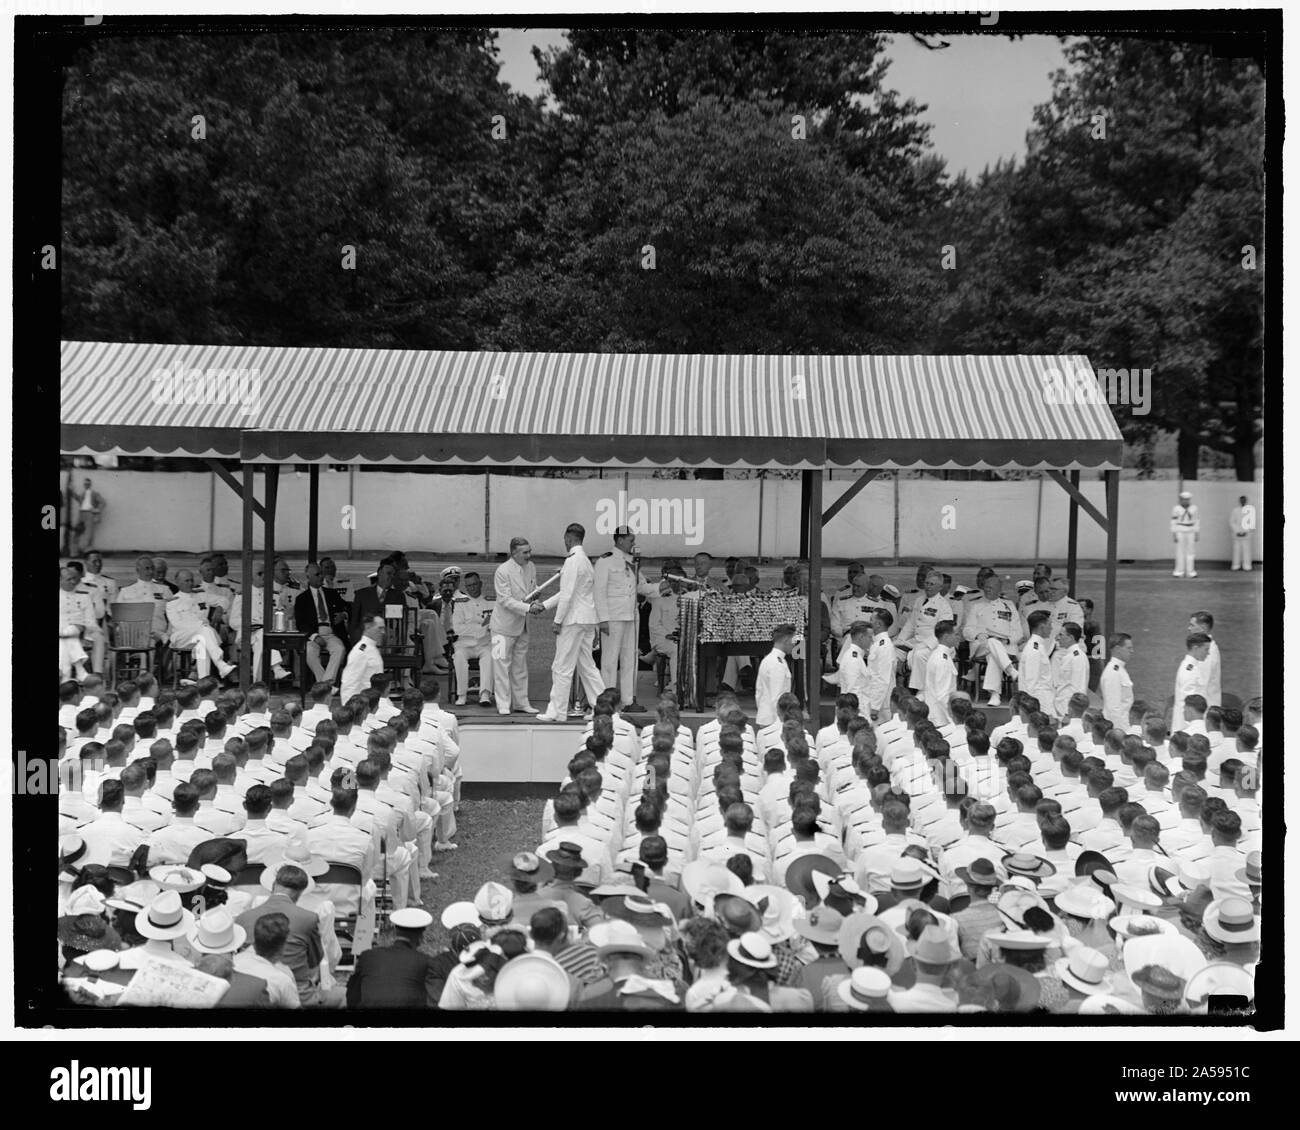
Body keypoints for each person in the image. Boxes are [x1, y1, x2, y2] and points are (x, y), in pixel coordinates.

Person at [537, 523, 604, 723]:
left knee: (561, 666)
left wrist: (557, 620)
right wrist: (545, 605)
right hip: (586, 619)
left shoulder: (574, 561)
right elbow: (567, 592)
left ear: (568, 538)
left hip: (574, 620)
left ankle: (557, 711)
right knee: (587, 666)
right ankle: (605, 709)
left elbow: (567, 595)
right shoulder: (584, 560)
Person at [593, 526, 661, 711]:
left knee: (630, 658)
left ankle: (628, 700)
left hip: (631, 616)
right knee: (609, 659)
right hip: (613, 616)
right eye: (631, 540)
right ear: (620, 540)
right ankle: (607, 699)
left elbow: (641, 587)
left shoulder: (632, 562)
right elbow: (598, 592)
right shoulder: (605, 561)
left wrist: (660, 588)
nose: (634, 543)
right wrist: (602, 619)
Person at [346, 907, 440, 1008]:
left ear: (395, 931)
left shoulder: (368, 956)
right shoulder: (425, 962)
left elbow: (352, 995)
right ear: (421, 937)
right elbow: (434, 998)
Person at [490, 536, 541, 716]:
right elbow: (505, 600)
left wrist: (536, 596)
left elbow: (532, 589)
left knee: (520, 666)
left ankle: (521, 702)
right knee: (501, 666)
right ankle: (503, 704)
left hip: (522, 625)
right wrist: (528, 607)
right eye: (525, 552)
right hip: (501, 627)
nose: (529, 555)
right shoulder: (502, 571)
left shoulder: (531, 566)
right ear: (514, 553)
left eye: (529, 551)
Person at [962, 575, 1025, 707]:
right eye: (985, 587)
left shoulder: (1009, 605)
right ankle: (1010, 670)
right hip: (981, 646)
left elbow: (1018, 632)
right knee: (991, 643)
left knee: (993, 651)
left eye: (990, 587)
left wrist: (1006, 640)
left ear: (998, 589)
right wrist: (978, 634)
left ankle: (995, 694)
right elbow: (967, 630)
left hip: (1005, 647)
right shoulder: (976, 606)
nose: (987, 590)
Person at [229, 562, 291, 682]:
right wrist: (248, 624)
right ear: (251, 576)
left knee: (261, 643)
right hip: (247, 635)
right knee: (263, 637)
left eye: (265, 573)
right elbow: (233, 621)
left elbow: (279, 618)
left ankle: (258, 682)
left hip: (267, 636)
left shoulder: (274, 595)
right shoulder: (242, 595)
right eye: (259, 574)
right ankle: (277, 668)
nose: (263, 576)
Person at [895, 569, 954, 692]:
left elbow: (943, 633)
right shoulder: (919, 600)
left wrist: (925, 645)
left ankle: (920, 691)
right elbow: (911, 624)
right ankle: (892, 687)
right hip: (915, 641)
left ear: (940, 587)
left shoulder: (944, 606)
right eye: (927, 583)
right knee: (892, 653)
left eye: (932, 584)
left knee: (919, 656)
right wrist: (900, 639)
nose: (928, 586)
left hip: (933, 644)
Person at [294, 563, 348, 685]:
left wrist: (343, 615)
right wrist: (314, 636)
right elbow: (301, 623)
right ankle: (326, 684)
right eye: (317, 574)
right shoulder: (302, 599)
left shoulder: (332, 594)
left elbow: (348, 607)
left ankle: (324, 685)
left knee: (339, 649)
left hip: (331, 633)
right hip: (313, 635)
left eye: (321, 573)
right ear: (308, 577)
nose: (321, 577)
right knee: (308, 651)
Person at [450, 571, 495, 707]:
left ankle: (485, 694)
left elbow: (495, 623)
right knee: (458, 657)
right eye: (469, 586)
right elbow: (458, 628)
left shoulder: (491, 601)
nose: (472, 588)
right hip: (464, 644)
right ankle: (462, 694)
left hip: (484, 644)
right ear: (466, 587)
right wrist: (481, 628)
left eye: (475, 584)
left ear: (480, 584)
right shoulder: (460, 603)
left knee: (489, 657)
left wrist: (472, 626)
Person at [59, 566, 96, 680]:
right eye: (68, 579)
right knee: (65, 639)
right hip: (61, 633)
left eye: (74, 578)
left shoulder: (84, 596)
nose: (73, 582)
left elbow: (90, 620)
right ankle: (78, 670)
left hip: (78, 630)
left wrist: (87, 636)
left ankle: (66, 677)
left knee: (70, 631)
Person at [755, 624, 796, 728]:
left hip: (766, 718)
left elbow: (759, 693)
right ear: (786, 639)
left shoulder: (770, 659)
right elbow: (777, 698)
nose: (794, 644)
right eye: (793, 640)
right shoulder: (777, 663)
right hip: (774, 722)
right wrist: (781, 724)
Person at [341, 616, 386, 703]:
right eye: (379, 628)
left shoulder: (372, 648)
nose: (383, 632)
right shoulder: (361, 651)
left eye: (383, 628)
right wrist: (349, 711)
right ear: (368, 627)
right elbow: (349, 683)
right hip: (366, 705)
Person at [922, 620, 958, 726]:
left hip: (937, 716)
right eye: (956, 634)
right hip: (941, 720)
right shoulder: (942, 659)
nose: (958, 637)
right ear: (946, 636)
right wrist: (953, 720)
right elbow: (943, 695)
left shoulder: (938, 654)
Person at [1050, 623, 1089, 719]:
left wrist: (1072, 713)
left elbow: (1079, 688)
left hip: (1068, 711)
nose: (1057, 638)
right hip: (1061, 708)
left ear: (1071, 637)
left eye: (1061, 635)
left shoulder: (1077, 657)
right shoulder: (1069, 656)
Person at [863, 610, 896, 719]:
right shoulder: (877, 643)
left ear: (878, 624)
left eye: (871, 620)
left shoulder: (884, 646)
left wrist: (875, 707)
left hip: (881, 704)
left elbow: (883, 678)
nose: (869, 622)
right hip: (872, 697)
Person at [1174, 634, 1212, 711]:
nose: (1208, 653)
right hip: (1191, 719)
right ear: (1195, 648)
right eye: (1206, 649)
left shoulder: (1192, 666)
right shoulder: (1190, 671)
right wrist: (1196, 722)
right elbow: (1188, 701)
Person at [71, 477, 105, 556]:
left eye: (87, 484)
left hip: (90, 514)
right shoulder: (83, 493)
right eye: (85, 484)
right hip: (81, 514)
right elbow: (78, 499)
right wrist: (72, 491)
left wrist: (97, 510)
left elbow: (103, 502)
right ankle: (74, 553)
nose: (86, 485)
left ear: (90, 484)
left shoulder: (95, 493)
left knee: (88, 534)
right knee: (77, 532)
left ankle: (87, 552)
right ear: (84, 485)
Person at [1170, 490, 1200, 578]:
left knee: (1191, 552)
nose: (1185, 501)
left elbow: (1197, 521)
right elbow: (1173, 521)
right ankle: (1179, 571)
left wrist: (1197, 532)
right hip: (1180, 530)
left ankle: (1190, 572)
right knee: (1180, 551)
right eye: (1184, 499)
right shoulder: (1176, 508)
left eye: (1187, 499)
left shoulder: (1194, 508)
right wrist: (1174, 533)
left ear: (1189, 499)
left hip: (1191, 530)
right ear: (1181, 500)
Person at [1229, 495, 1255, 571]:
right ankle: (1236, 565)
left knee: (1246, 550)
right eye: (1241, 500)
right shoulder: (1235, 510)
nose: (1242, 501)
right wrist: (1237, 531)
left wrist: (1245, 531)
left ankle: (1247, 565)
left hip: (1246, 534)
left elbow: (1251, 523)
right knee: (1236, 550)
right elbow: (1232, 522)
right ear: (1239, 501)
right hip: (1237, 534)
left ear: (1246, 501)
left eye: (1244, 500)